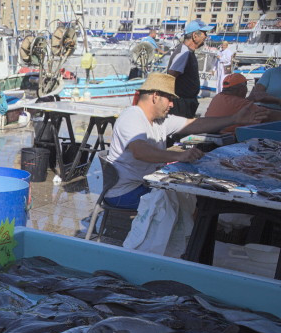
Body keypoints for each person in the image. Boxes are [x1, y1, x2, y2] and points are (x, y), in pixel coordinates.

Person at [105, 73, 267, 209]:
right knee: (191, 204)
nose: (172, 104)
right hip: (125, 193)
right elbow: (140, 152)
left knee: (192, 198)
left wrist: (234, 118)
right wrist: (179, 155)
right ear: (155, 97)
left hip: (145, 184)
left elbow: (196, 124)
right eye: (169, 98)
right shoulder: (133, 116)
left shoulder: (159, 120)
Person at [166, 19, 214, 118]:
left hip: (185, 103)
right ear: (195, 36)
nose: (206, 36)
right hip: (180, 104)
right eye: (204, 33)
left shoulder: (187, 52)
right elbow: (171, 75)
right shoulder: (184, 52)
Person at [205, 73, 281, 132]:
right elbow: (272, 116)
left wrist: (250, 99)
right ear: (241, 89)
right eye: (246, 86)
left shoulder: (217, 97)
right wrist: (277, 100)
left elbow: (236, 106)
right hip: (229, 139)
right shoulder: (241, 103)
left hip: (212, 134)